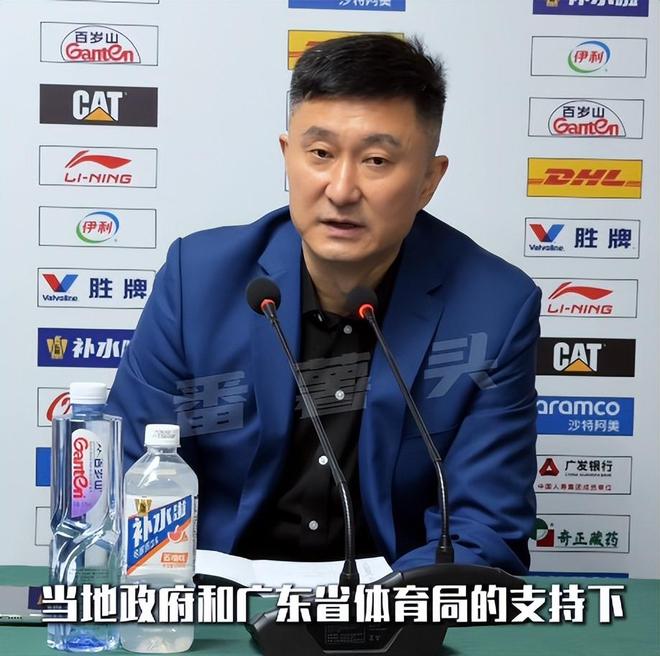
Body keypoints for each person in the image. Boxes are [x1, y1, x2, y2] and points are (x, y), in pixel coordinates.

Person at [106, 34, 541, 574]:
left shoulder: (494, 309)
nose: (341, 189)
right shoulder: (197, 280)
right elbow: (130, 475)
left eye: (377, 160)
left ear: (429, 180)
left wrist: (378, 609)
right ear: (287, 157)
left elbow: (485, 528)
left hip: (393, 605)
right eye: (320, 154)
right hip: (216, 597)